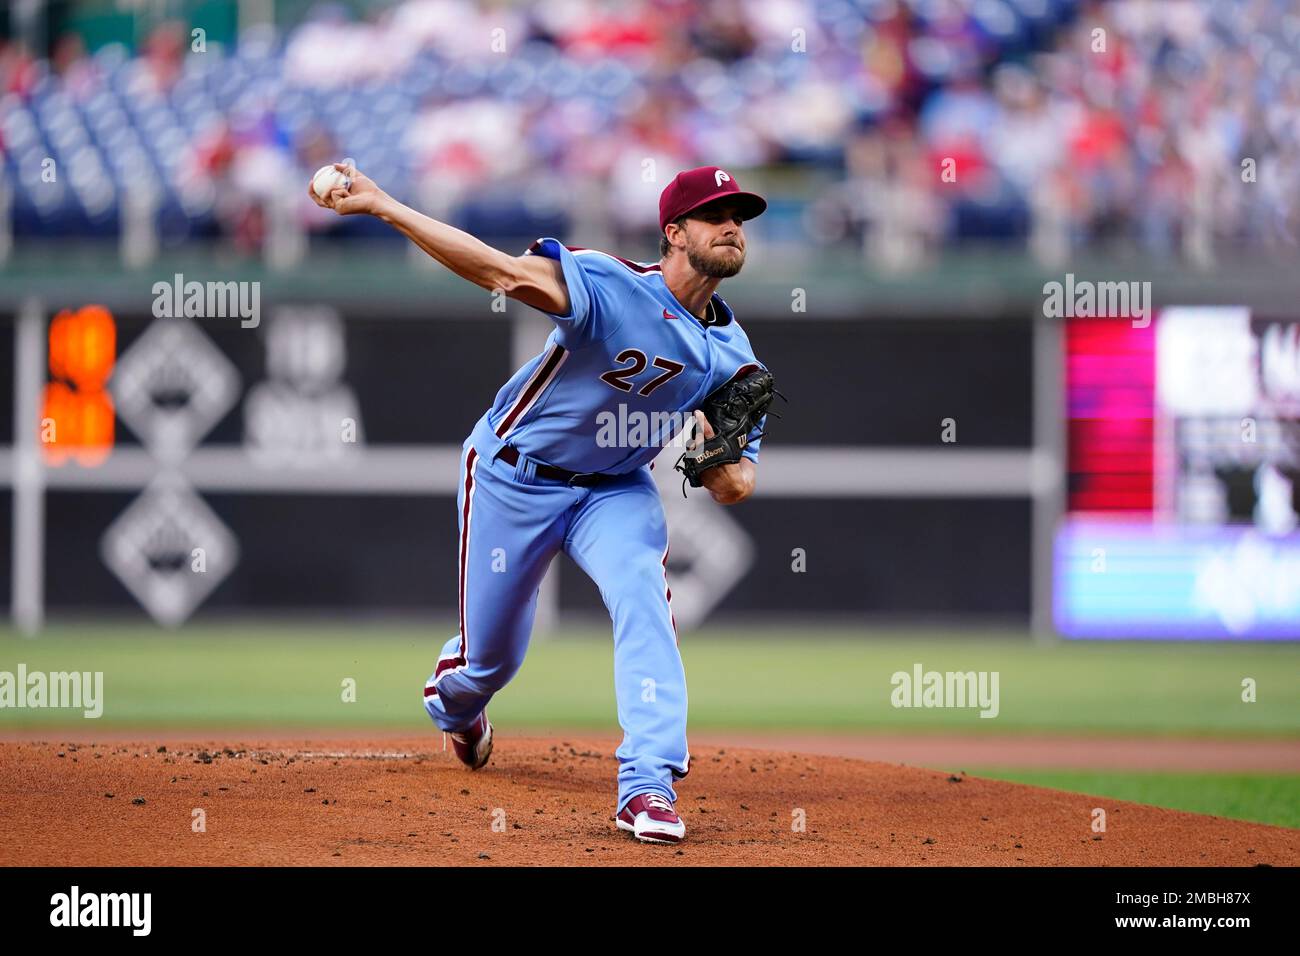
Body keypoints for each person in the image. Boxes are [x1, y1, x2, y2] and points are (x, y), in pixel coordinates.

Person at [310, 163, 769, 844]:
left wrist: (713, 458)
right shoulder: (610, 285)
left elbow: (735, 487)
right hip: (513, 476)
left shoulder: (732, 355)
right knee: (489, 661)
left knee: (644, 593)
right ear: (673, 232)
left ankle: (648, 784)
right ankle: (457, 706)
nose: (732, 226)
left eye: (740, 216)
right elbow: (499, 272)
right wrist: (384, 206)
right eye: (714, 214)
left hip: (614, 489)